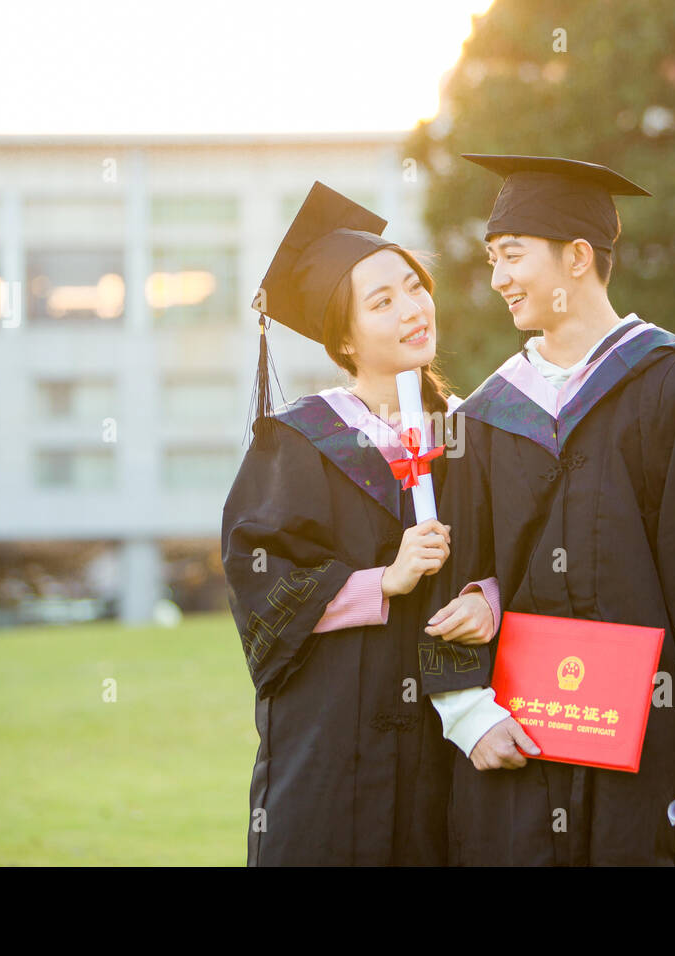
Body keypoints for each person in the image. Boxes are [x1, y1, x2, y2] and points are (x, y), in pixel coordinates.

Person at [421, 154, 675, 865]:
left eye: (512, 256)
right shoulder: (486, 415)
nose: (497, 279)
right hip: (516, 741)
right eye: (491, 260)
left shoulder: (670, 385)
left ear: (577, 258)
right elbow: (454, 575)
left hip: (643, 738)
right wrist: (466, 713)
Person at [221, 182, 500, 865]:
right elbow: (260, 588)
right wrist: (383, 580)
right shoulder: (299, 442)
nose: (412, 310)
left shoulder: (474, 432)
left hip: (449, 750)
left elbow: (520, 551)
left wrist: (487, 600)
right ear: (343, 338)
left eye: (414, 286)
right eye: (383, 302)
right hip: (332, 753)